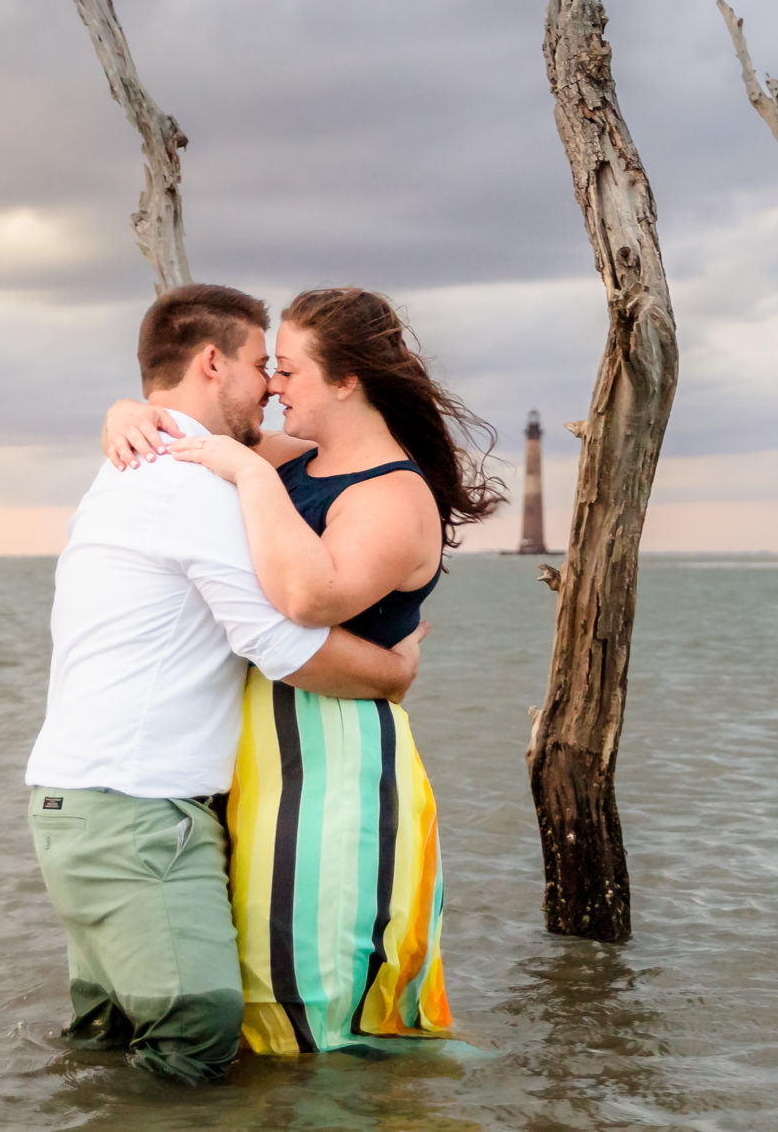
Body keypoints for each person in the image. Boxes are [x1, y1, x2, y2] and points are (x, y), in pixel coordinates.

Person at [25, 283, 424, 1087]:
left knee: (107, 1033)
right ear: (212, 363)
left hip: (74, 802)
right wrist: (395, 671)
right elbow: (281, 638)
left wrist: (126, 410)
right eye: (257, 365)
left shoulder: (133, 461)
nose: (271, 386)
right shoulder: (191, 482)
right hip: (134, 807)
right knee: (198, 1020)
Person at [103, 286, 500, 1055]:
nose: (274, 385)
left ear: (347, 378)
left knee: (318, 996)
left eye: (289, 369)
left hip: (334, 766)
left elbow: (308, 595)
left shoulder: (394, 492)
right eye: (271, 368)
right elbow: (188, 426)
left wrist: (248, 479)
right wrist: (125, 410)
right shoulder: (298, 461)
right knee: (257, 987)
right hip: (263, 762)